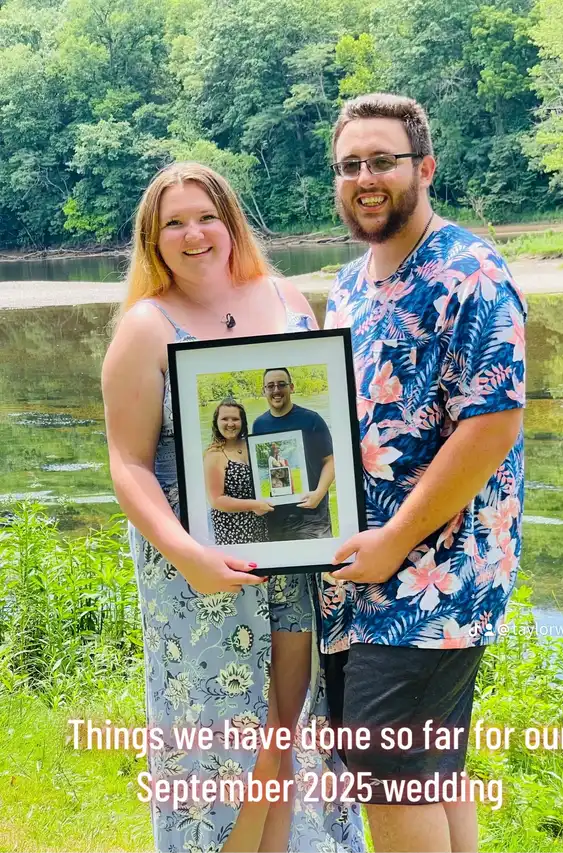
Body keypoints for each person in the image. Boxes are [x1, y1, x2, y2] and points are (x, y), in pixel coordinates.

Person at [101, 162, 363, 853]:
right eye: (174, 223)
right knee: (224, 740)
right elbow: (128, 465)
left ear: (230, 222)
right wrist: (190, 556)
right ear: (152, 239)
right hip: (196, 571)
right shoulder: (145, 328)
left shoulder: (284, 298)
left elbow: (321, 429)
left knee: (287, 725)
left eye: (206, 217)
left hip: (295, 557)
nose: (194, 235)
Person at [322, 93, 527, 853]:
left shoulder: (470, 272)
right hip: (362, 572)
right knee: (427, 765)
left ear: (425, 168)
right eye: (350, 165)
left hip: (439, 571)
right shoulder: (347, 285)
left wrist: (395, 539)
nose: (365, 178)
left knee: (385, 766)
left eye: (383, 160)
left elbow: (492, 423)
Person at [252, 367, 334, 541]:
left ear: (291, 387)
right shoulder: (259, 425)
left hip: (312, 514)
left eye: (282, 384)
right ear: (263, 391)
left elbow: (330, 461)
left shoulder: (312, 419)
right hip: (275, 515)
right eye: (270, 386)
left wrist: (319, 493)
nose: (276, 390)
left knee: (319, 558)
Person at [204, 398, 272, 545]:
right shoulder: (214, 455)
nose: (230, 424)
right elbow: (216, 500)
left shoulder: (252, 445)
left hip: (258, 524)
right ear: (216, 422)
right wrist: (254, 505)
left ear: (242, 422)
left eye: (235, 419)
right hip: (232, 529)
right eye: (224, 419)